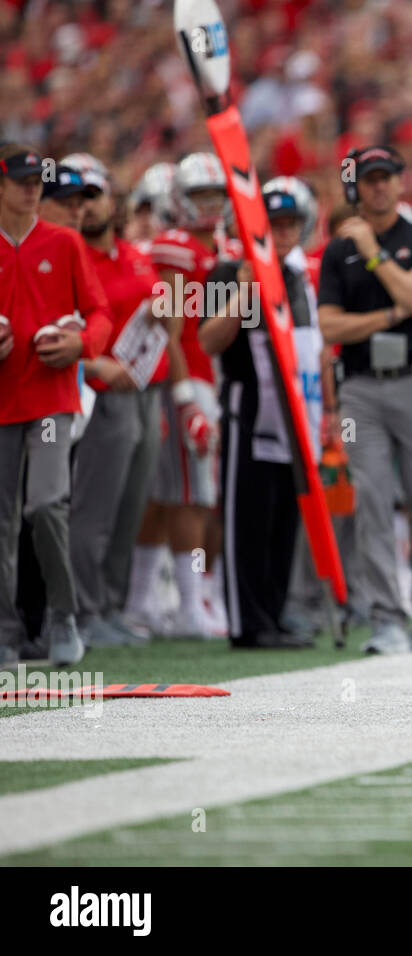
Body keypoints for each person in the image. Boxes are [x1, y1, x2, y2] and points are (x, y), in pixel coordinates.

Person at [317, 145, 412, 654]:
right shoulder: (335, 249)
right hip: (361, 385)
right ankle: (387, 617)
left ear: (399, 181)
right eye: (369, 179)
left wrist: (374, 252)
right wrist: (391, 314)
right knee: (370, 500)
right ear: (357, 186)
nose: (377, 186)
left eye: (385, 177)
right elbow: (330, 325)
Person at [0, 144, 112, 667]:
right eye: (22, 179)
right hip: (3, 400)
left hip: (51, 399)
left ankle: (62, 618)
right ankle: (6, 631)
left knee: (45, 504)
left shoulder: (65, 243)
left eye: (37, 179)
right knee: (2, 521)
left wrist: (81, 345)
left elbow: (100, 314)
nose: (32, 187)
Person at [200, 177, 321, 649]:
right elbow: (209, 340)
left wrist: (326, 408)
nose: (284, 232)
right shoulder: (228, 272)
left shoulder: (297, 275)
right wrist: (244, 290)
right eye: (275, 224)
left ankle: (273, 612)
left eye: (291, 223)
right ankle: (247, 621)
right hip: (248, 401)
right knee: (247, 515)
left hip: (296, 406)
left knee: (282, 516)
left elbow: (315, 348)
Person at [65, 152, 165, 648]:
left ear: (111, 198)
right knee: (94, 509)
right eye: (75, 199)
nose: (84, 208)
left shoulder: (135, 255)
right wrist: (91, 365)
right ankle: (84, 611)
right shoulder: (68, 256)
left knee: (131, 507)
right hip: (96, 394)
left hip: (145, 393)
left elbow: (169, 312)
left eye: (92, 196)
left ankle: (111, 604)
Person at [132, 152, 230, 640]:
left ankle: (160, 601)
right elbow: (170, 331)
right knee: (188, 498)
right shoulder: (174, 247)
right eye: (200, 195)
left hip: (215, 380)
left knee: (189, 497)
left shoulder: (221, 250)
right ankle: (186, 606)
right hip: (187, 380)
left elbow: (236, 327)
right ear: (180, 199)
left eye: (217, 195)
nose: (210, 205)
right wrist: (186, 395)